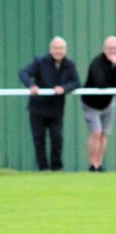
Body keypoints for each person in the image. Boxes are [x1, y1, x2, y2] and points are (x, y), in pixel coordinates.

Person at [18, 36, 81, 171]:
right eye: (56, 48)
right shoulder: (41, 62)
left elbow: (76, 82)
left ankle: (57, 167)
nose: (58, 51)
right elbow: (24, 73)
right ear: (51, 49)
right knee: (39, 140)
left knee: (57, 137)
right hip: (37, 108)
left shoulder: (70, 65)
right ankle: (43, 168)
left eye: (61, 49)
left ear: (65, 50)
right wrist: (31, 85)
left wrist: (64, 88)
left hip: (56, 109)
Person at [81, 36, 116, 172]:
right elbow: (100, 83)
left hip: (107, 103)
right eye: (110, 48)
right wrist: (113, 80)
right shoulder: (97, 62)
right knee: (96, 132)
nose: (112, 51)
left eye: (115, 48)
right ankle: (92, 165)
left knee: (104, 134)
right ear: (104, 49)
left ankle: (99, 164)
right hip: (91, 103)